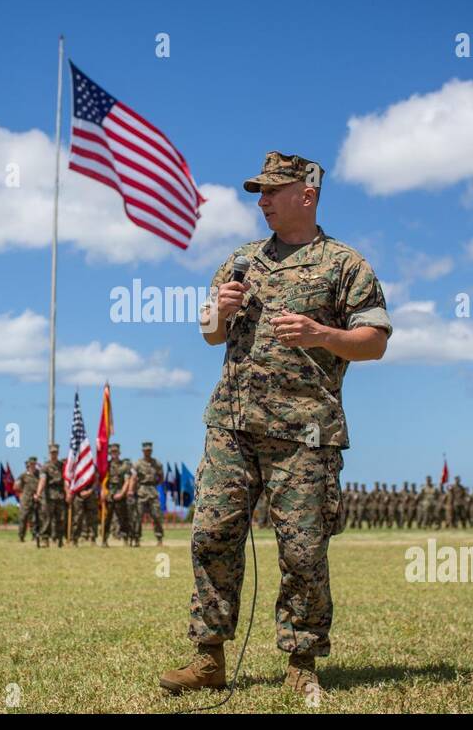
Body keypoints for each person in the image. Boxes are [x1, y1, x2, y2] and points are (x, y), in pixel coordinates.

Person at [160, 151, 390, 696]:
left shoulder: (345, 264)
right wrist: (220, 309)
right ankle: (209, 657)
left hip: (305, 434)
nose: (260, 202)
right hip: (231, 426)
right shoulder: (241, 260)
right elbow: (210, 333)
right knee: (211, 535)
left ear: (305, 196)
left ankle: (302, 664)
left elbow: (375, 342)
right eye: (258, 193)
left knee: (303, 549)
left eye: (271, 191)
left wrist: (320, 334)